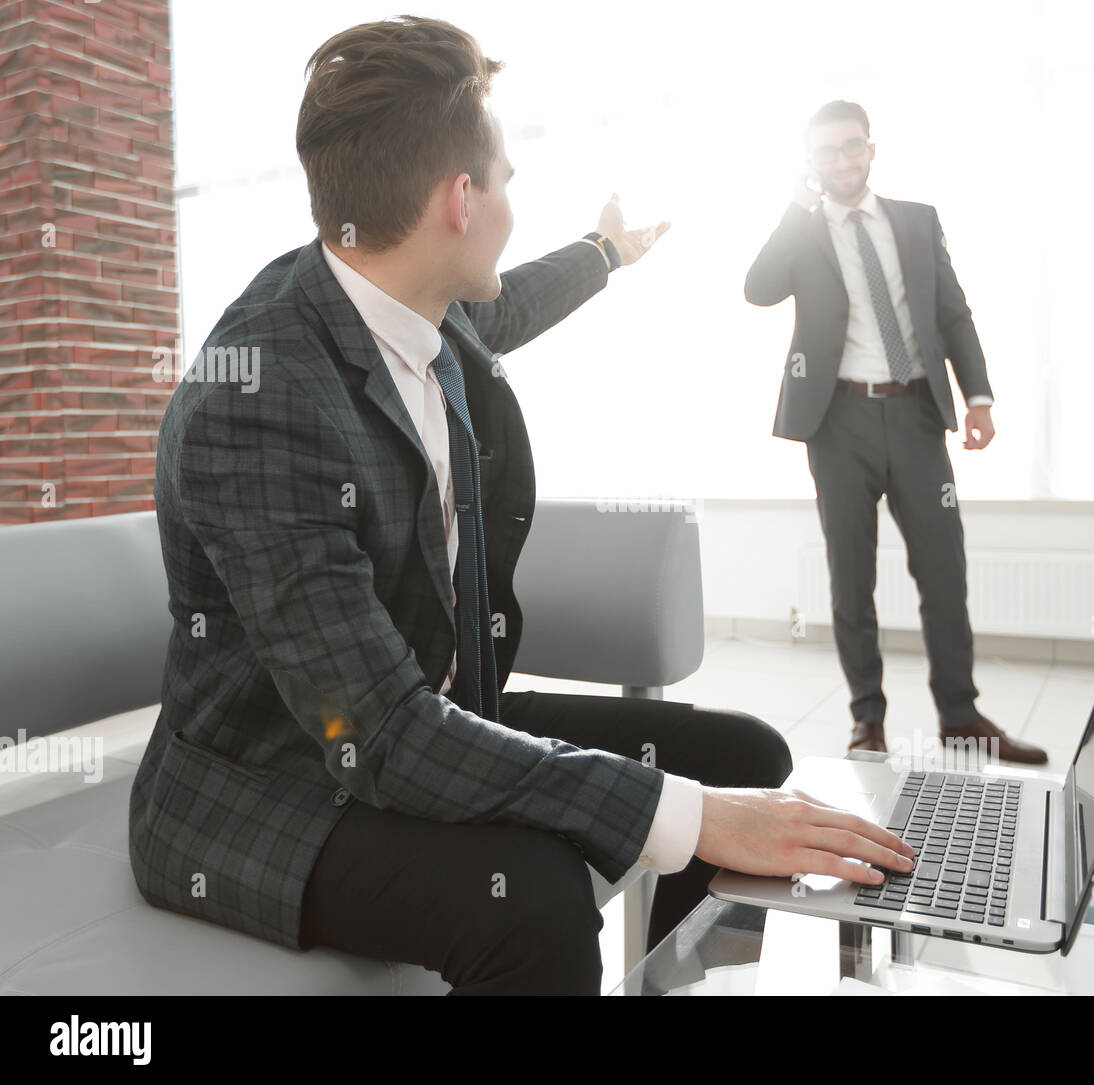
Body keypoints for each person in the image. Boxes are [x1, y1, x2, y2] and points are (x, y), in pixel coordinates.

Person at [127, 19, 916, 996]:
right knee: (533, 891)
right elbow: (375, 732)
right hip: (273, 785)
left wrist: (605, 251)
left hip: (422, 706)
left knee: (742, 755)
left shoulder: (409, 295)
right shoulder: (255, 402)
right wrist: (689, 815)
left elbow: (505, 306)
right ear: (460, 201)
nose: (510, 200)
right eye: (505, 180)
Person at [744, 100, 1047, 765]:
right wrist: (796, 208)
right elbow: (757, 288)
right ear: (812, 163)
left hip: (915, 415)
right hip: (838, 421)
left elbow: (954, 311)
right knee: (850, 578)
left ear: (872, 149)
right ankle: (867, 720)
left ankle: (961, 715)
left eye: (852, 146)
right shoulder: (805, 232)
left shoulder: (916, 221)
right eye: (827, 152)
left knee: (944, 569)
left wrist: (979, 397)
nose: (842, 161)